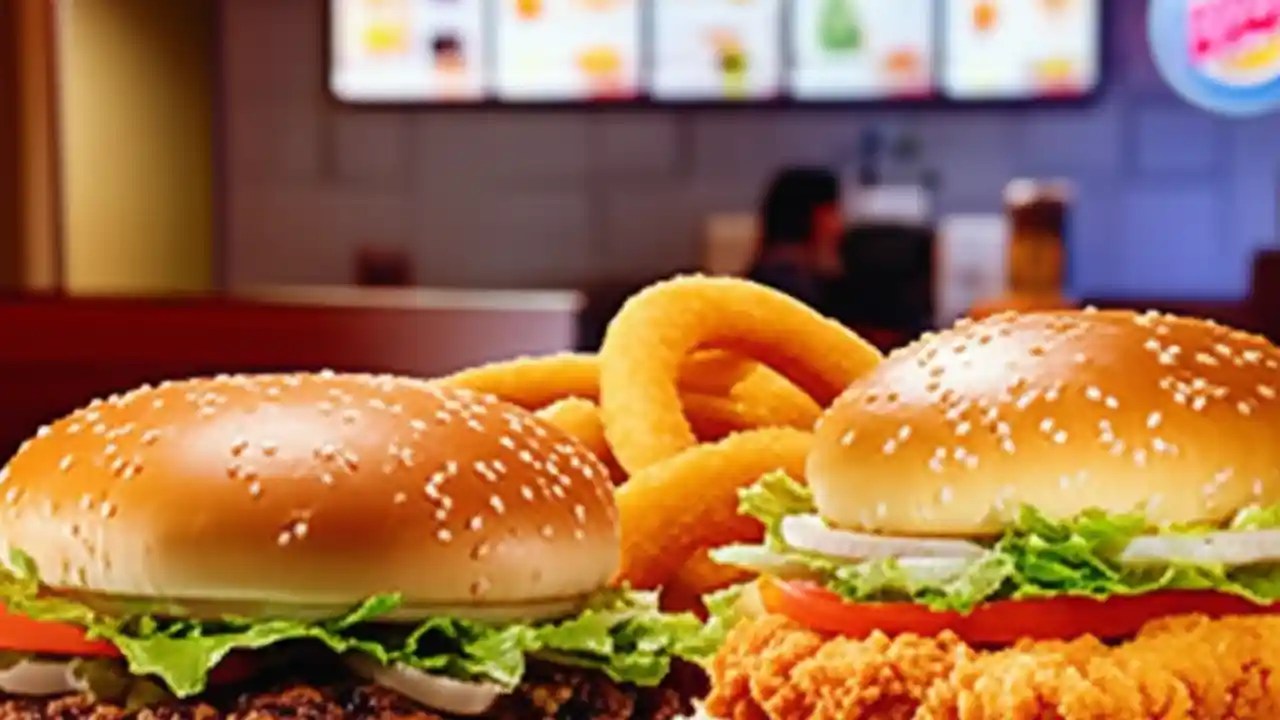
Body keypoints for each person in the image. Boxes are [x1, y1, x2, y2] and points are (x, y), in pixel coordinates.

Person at [747, 167, 845, 311]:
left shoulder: (767, 278)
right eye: (833, 214)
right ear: (815, 219)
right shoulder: (791, 291)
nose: (839, 226)